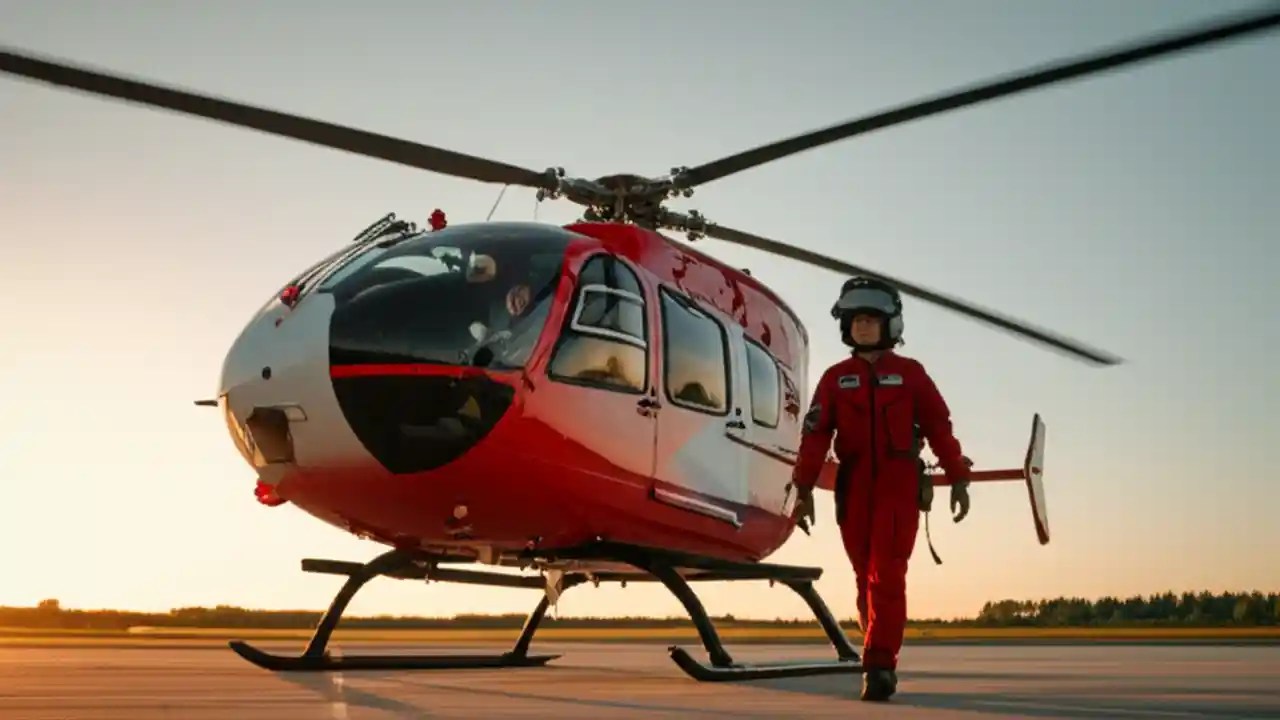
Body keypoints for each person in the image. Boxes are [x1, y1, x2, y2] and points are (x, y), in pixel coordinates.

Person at [790, 276, 971, 702]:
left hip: (897, 484)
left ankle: (880, 666)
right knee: (862, 576)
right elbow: (815, 435)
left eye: (872, 320)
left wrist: (958, 475)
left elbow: (939, 428)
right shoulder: (836, 379)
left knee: (886, 574)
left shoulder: (910, 375)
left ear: (890, 325)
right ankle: (877, 647)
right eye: (857, 321)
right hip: (852, 487)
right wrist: (803, 489)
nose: (864, 328)